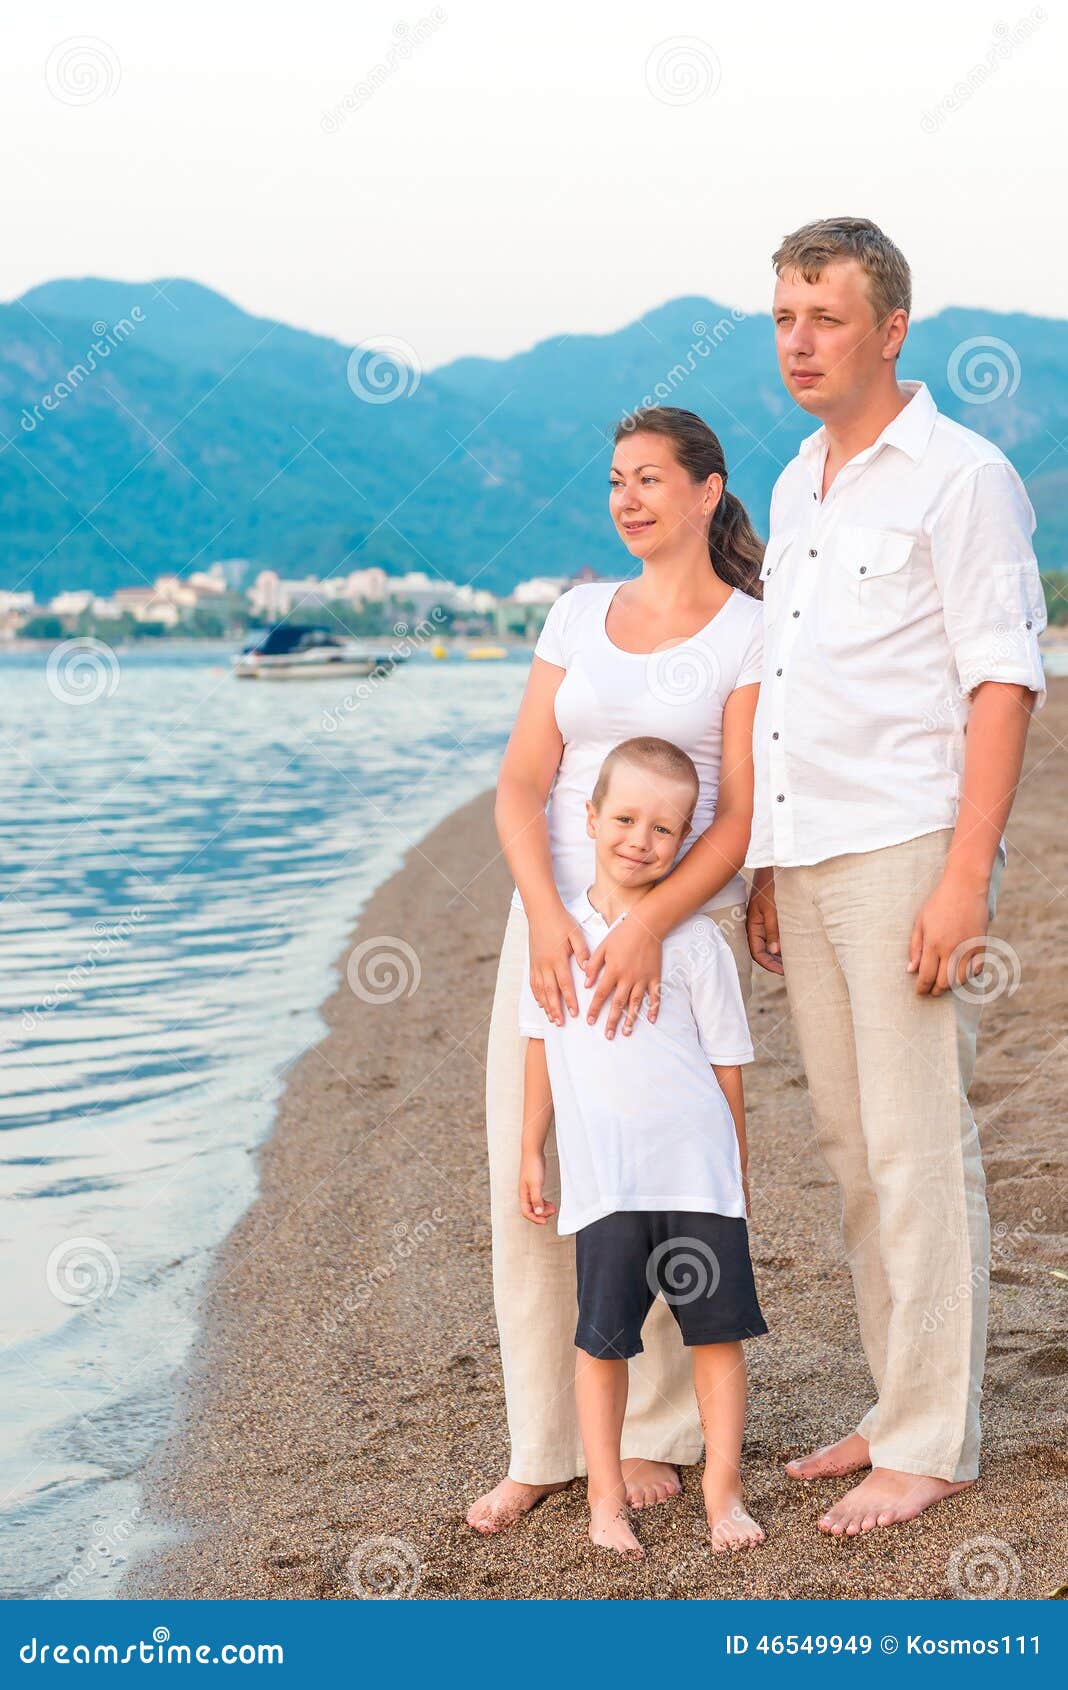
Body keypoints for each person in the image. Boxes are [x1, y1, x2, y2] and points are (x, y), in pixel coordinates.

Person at [745, 216, 1047, 1534]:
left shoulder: (964, 477)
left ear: (890, 328)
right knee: (852, 1146)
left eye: (823, 316)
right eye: (782, 318)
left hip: (905, 846)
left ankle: (934, 1437)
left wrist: (965, 872)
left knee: (920, 1144)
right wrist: (759, 861)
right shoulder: (797, 482)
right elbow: (785, 687)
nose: (798, 341)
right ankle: (894, 1395)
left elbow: (1003, 677)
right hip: (804, 854)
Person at [467, 407, 765, 1534]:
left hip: (675, 934)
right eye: (614, 481)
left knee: (674, 1173)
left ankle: (661, 1436)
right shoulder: (577, 612)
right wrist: (550, 916)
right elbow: (518, 781)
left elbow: (737, 815)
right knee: (540, 1179)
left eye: (650, 478)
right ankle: (544, 1446)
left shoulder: (748, 628)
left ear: (706, 491)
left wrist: (650, 927)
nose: (628, 498)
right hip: (553, 930)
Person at [518, 737, 767, 1557]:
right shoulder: (556, 938)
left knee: (715, 1338)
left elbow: (727, 1065)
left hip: (696, 1178)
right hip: (605, 1187)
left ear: (686, 842)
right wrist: (532, 1149)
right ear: (588, 819)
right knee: (602, 1341)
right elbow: (539, 1047)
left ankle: (721, 1491)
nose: (640, 839)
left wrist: (735, 1167)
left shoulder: (693, 943)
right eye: (624, 818)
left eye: (665, 829)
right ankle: (604, 1501)